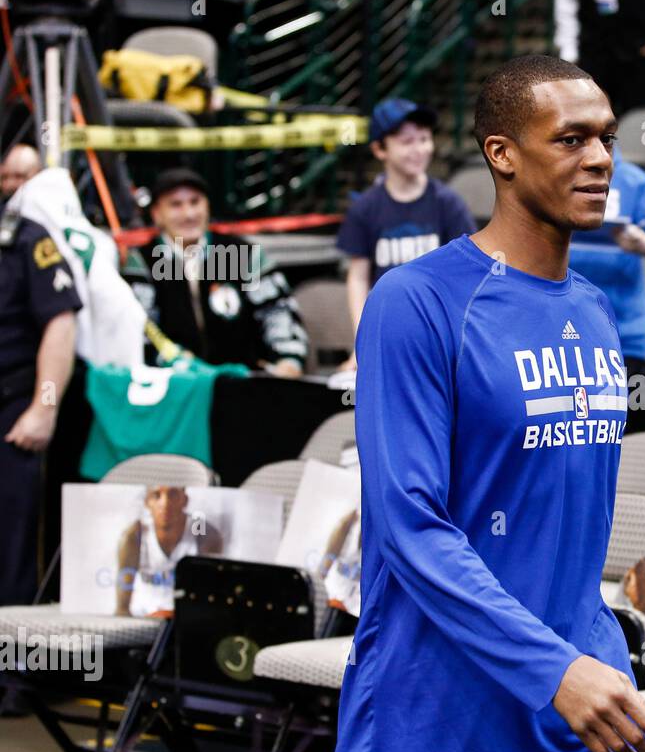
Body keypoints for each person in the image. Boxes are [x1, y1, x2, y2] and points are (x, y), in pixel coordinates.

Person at [334, 55, 645, 752]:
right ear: (502, 154)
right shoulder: (414, 302)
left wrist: (585, 662)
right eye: (572, 139)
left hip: (587, 736)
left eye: (608, 139)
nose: (600, 159)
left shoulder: (595, 309)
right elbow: (411, 527)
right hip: (440, 733)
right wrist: (555, 669)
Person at [336, 99, 476, 371]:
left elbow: (466, 274)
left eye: (424, 139)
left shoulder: (447, 203)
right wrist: (360, 344)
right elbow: (358, 278)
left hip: (438, 334)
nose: (419, 149)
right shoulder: (365, 209)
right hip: (386, 332)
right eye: (406, 141)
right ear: (379, 149)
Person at [125, 168, 308, 376]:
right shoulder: (142, 261)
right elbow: (139, 327)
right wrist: (175, 362)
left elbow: (277, 310)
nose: (189, 214)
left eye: (195, 202)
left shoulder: (242, 253)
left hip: (245, 383)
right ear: (157, 214)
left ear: (207, 207)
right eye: (176, 205)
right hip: (176, 387)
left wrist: (288, 360)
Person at [0, 208, 80, 606]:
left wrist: (44, 407)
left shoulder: (26, 239)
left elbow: (61, 325)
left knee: (11, 552)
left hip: (12, 414)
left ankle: (11, 663)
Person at [568, 145, 645, 377]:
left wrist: (643, 243)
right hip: (558, 327)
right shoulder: (556, 174)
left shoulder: (634, 181)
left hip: (623, 334)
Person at [116, 485, 224, 617]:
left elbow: (207, 596)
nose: (165, 504)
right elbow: (122, 608)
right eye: (157, 496)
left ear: (185, 499)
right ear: (147, 502)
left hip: (185, 618)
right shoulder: (135, 533)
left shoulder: (201, 530)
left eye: (173, 494)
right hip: (143, 619)